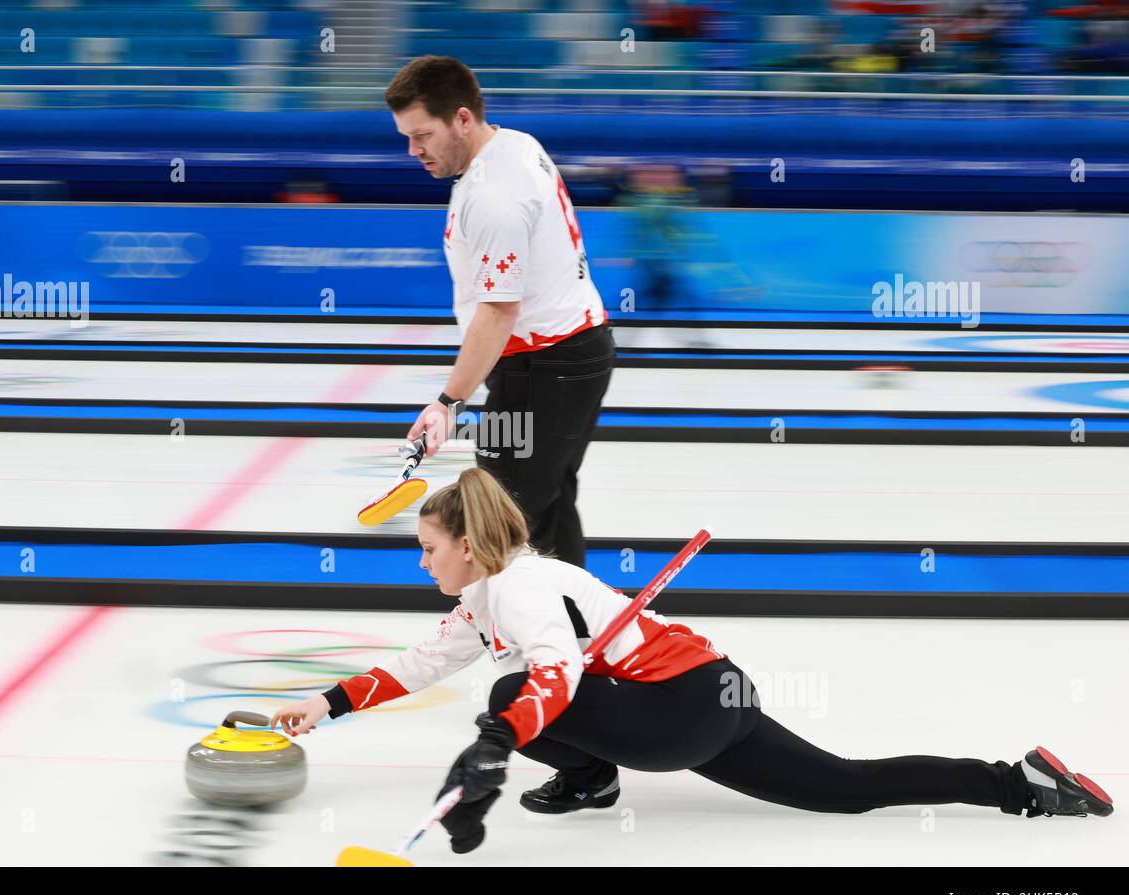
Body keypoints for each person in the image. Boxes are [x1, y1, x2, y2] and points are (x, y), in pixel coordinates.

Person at [271, 469, 1114, 854]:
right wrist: (327, 704)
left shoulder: (523, 589)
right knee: (845, 789)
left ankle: (590, 777)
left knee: (509, 689)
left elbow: (554, 677)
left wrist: (497, 739)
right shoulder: (487, 598)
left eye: (427, 548)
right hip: (713, 693)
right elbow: (419, 665)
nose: (420, 562)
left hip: (680, 706)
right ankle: (1022, 783)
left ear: (467, 542)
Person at [384, 55, 614, 569]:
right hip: (568, 356)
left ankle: (498, 637)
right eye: (406, 136)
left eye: (421, 135)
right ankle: (573, 634)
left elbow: (498, 312)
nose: (413, 149)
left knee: (495, 525)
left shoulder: (494, 197)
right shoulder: (512, 143)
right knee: (545, 510)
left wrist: (448, 402)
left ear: (462, 119)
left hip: (545, 369)